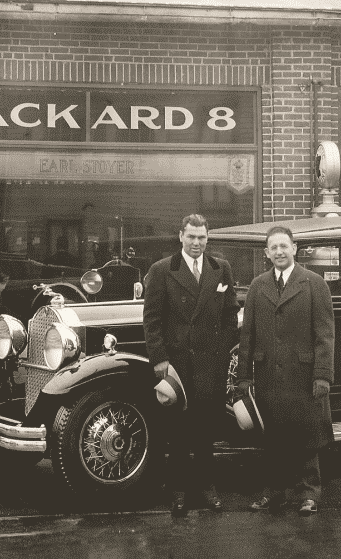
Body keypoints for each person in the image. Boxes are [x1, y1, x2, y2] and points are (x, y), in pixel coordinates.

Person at [236, 225, 335, 516]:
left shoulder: (314, 283)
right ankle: (274, 492)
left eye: (284, 246)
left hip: (303, 376)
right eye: (273, 248)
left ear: (295, 248)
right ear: (267, 254)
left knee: (306, 437)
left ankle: (308, 494)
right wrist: (244, 376)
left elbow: (325, 334)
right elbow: (248, 336)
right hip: (268, 376)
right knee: (273, 438)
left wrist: (322, 375)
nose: (279, 252)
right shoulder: (257, 286)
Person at [143, 214, 237, 516]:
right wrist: (159, 359)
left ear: (207, 238)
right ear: (180, 236)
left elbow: (229, 316)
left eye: (202, 238)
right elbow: (152, 320)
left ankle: (207, 488)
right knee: (179, 431)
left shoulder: (220, 268)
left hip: (211, 363)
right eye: (191, 237)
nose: (197, 243)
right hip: (177, 365)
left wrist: (221, 354)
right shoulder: (162, 270)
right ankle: (179, 491)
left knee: (206, 430)